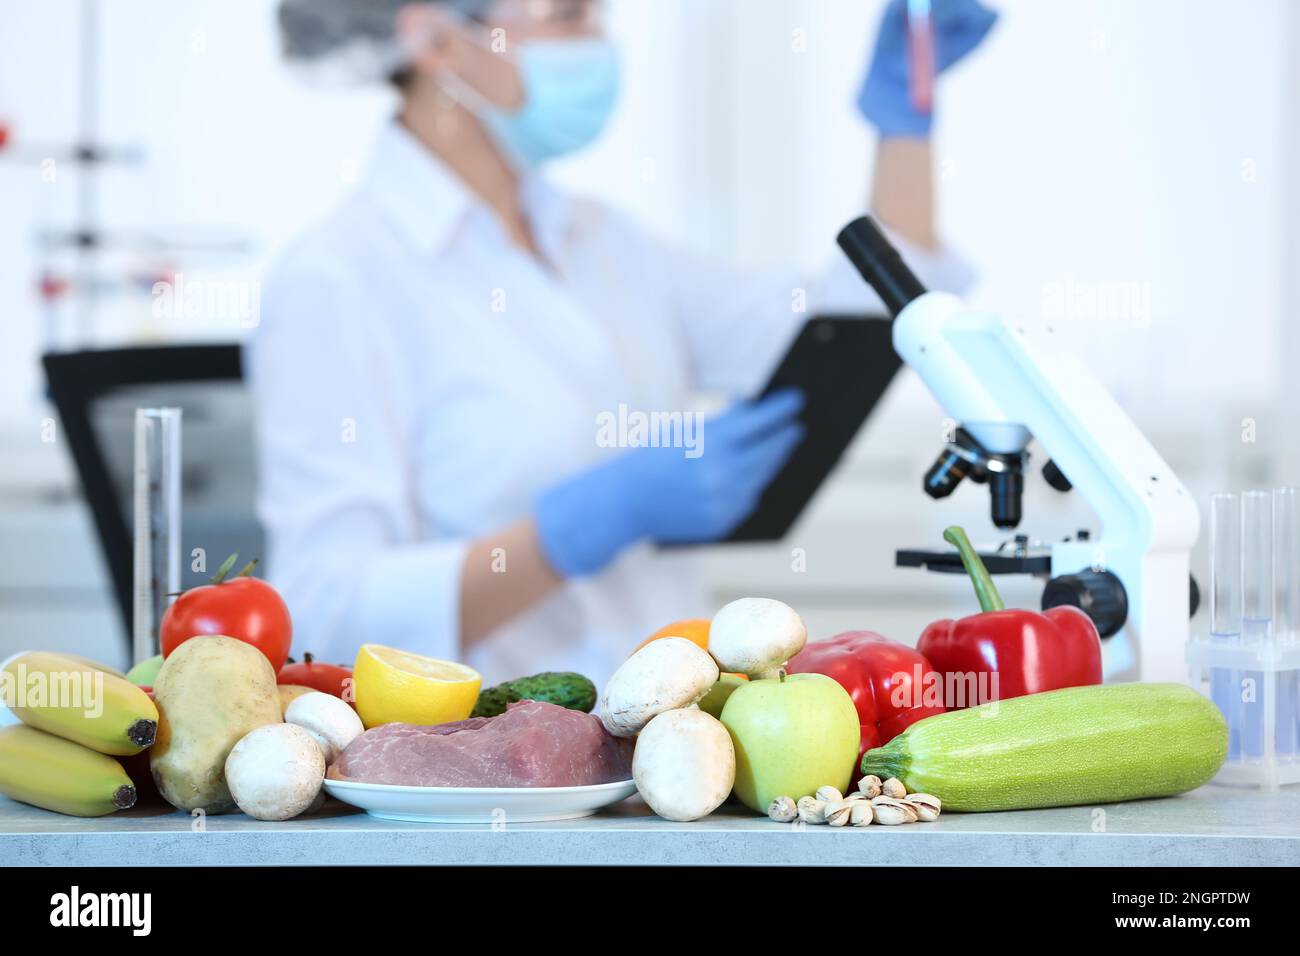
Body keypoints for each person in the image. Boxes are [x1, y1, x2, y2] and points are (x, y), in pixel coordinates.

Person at [250, 0, 997, 683]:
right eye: (569, 16)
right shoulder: (336, 278)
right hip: (484, 780)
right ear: (435, 39)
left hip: (668, 751)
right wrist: (567, 533)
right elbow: (325, 610)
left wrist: (903, 124)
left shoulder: (603, 240)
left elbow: (868, 314)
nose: (601, 44)